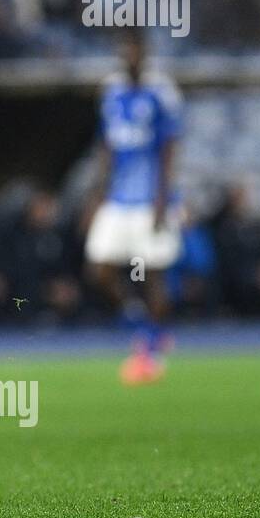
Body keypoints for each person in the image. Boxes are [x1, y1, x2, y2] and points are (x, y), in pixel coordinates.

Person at [82, 27, 183, 384]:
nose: (129, 55)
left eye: (134, 48)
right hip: (118, 198)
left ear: (145, 52)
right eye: (123, 49)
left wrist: (163, 199)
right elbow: (106, 148)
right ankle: (139, 320)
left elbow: (169, 149)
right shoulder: (111, 91)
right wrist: (95, 196)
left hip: (149, 197)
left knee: (153, 271)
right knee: (100, 268)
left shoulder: (161, 91)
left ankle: (151, 350)